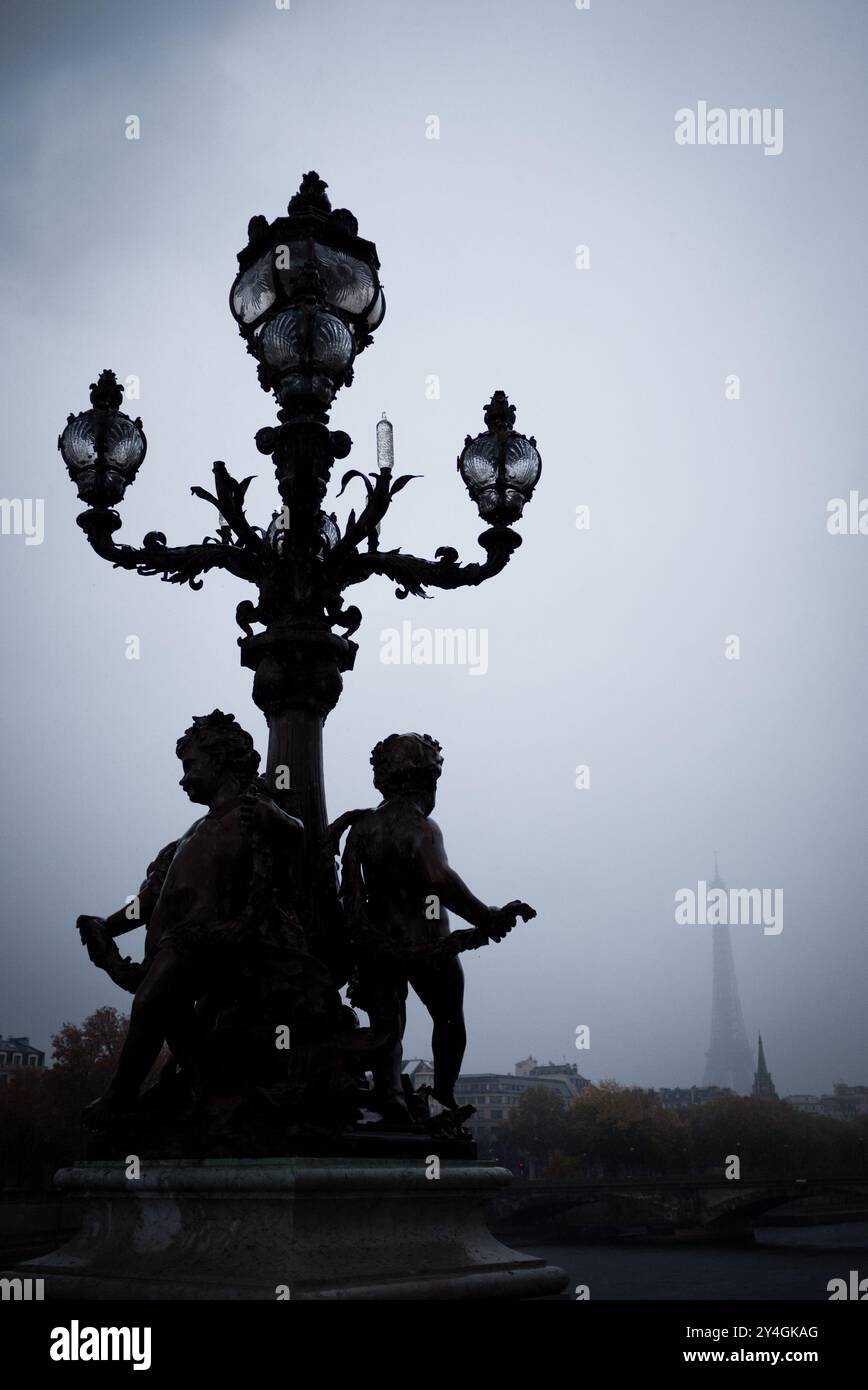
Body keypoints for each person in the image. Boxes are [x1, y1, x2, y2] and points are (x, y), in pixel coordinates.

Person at [78, 709, 339, 1129]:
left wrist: (277, 819)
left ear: (219, 762)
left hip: (209, 944)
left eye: (190, 766)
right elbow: (146, 901)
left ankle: (120, 1096)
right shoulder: (188, 836)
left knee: (150, 1003)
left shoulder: (252, 813)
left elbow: (297, 833)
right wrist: (108, 925)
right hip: (173, 944)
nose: (183, 778)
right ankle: (213, 1095)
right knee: (176, 1023)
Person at [338, 733, 534, 1123]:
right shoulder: (422, 828)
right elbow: (440, 879)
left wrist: (362, 941)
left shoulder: (363, 828)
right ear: (426, 781)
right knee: (448, 1020)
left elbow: (351, 896)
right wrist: (487, 917)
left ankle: (391, 1094)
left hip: (379, 947)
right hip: (427, 944)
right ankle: (442, 1097)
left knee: (387, 1024)